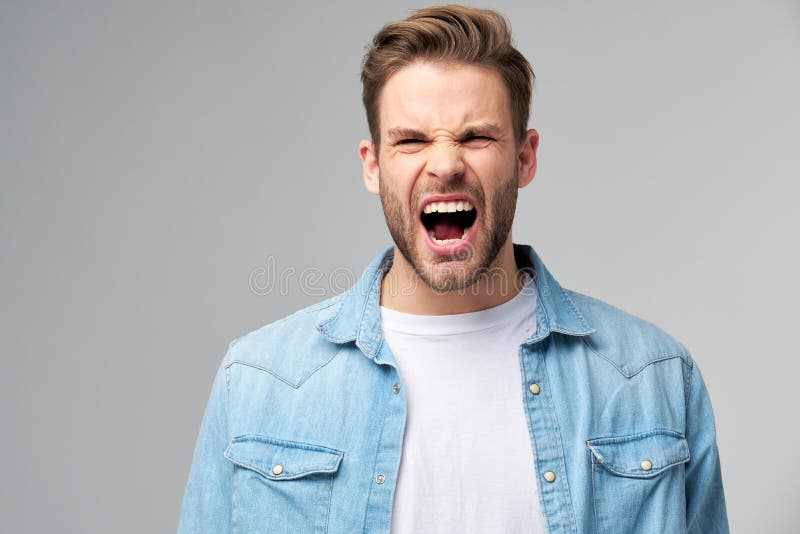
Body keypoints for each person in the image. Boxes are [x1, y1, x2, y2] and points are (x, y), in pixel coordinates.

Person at [177, 5, 728, 533]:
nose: (444, 163)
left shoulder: (653, 380)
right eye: (412, 140)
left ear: (525, 157)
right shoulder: (256, 382)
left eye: (476, 136)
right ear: (373, 166)